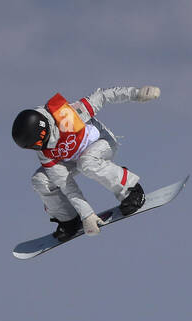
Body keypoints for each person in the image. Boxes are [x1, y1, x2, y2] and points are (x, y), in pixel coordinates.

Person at [11, 85, 161, 241]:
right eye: (33, 147)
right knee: (41, 180)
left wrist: (137, 94)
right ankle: (68, 219)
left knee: (87, 163)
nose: (39, 148)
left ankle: (131, 190)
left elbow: (104, 96)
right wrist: (87, 214)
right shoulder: (44, 151)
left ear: (43, 131)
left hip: (101, 143)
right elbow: (65, 183)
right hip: (73, 159)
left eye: (38, 143)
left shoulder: (66, 115)